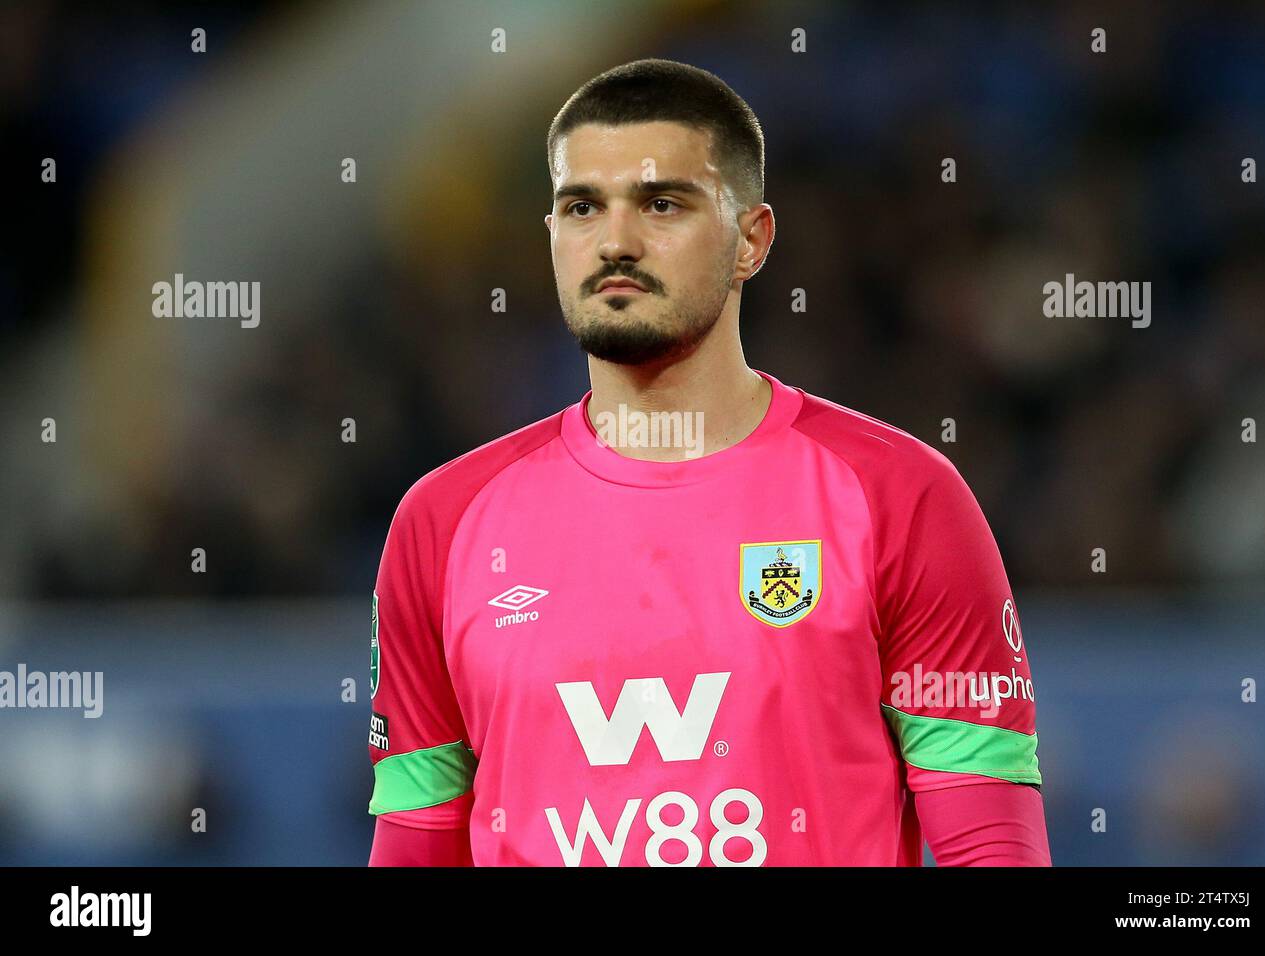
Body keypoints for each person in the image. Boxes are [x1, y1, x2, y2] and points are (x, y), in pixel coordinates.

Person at [367, 58, 1050, 866]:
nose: (615, 241)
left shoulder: (899, 498)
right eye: (582, 206)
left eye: (662, 204)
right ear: (551, 235)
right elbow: (416, 847)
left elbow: (990, 846)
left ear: (750, 241)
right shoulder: (443, 525)